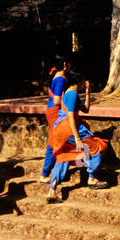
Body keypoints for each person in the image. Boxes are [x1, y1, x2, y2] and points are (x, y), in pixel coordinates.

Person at [46, 84, 109, 202]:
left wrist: (87, 93)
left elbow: (85, 109)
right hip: (70, 129)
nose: (85, 83)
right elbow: (71, 117)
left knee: (64, 157)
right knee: (97, 147)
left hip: (60, 130)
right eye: (83, 80)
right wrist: (77, 137)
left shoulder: (68, 93)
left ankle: (52, 191)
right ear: (78, 81)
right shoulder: (72, 94)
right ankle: (91, 177)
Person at [39, 55, 72, 183]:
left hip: (52, 110)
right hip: (55, 111)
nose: (70, 66)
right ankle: (45, 173)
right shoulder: (61, 79)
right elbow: (57, 99)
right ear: (64, 64)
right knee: (53, 142)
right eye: (69, 63)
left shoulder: (56, 77)